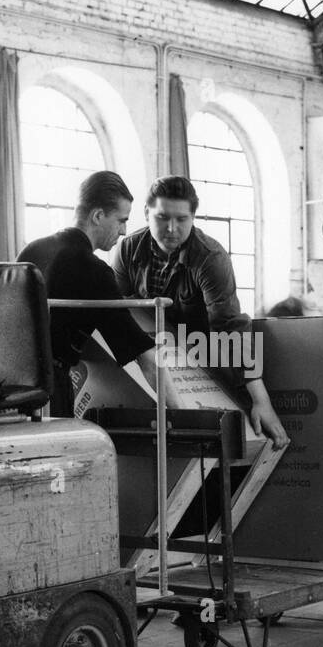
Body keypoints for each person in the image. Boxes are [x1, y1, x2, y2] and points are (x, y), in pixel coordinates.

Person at [113, 175, 288, 448]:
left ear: (193, 216)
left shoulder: (210, 258)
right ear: (147, 213)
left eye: (182, 219)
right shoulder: (127, 249)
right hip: (151, 357)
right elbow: (120, 313)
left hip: (202, 360)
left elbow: (230, 326)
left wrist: (260, 399)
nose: (172, 228)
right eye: (162, 217)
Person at [18, 171, 159, 418]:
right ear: (98, 216)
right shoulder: (93, 270)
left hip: (13, 387)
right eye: (121, 220)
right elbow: (146, 359)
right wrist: (185, 415)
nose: (124, 230)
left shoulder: (31, 250)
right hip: (49, 391)